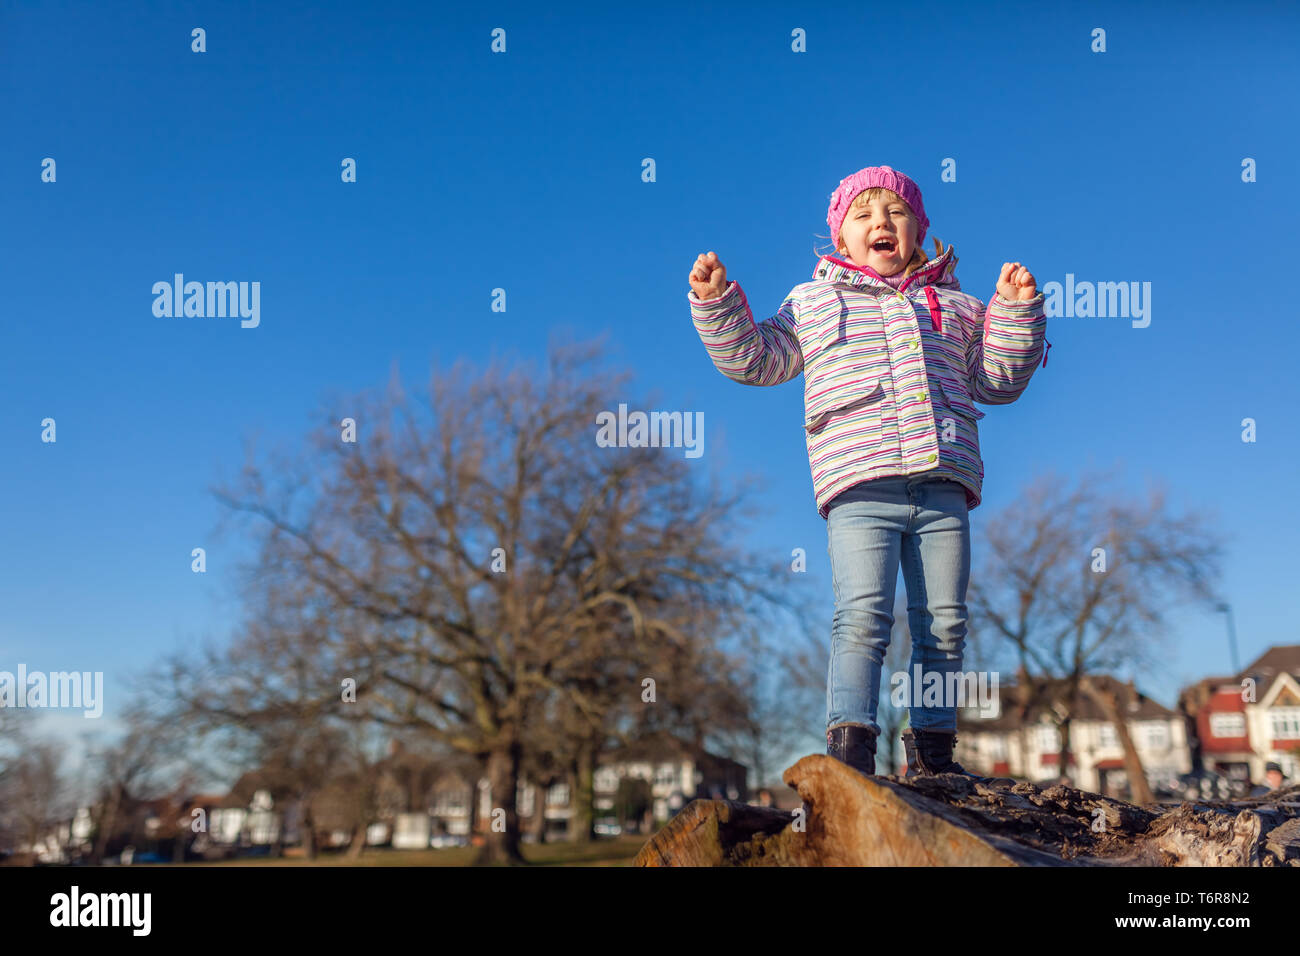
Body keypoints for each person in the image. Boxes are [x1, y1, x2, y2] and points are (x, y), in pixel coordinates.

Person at [687, 165, 1048, 783]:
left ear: (919, 230)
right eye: (864, 215)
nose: (881, 223)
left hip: (943, 486)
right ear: (840, 238)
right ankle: (850, 752)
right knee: (862, 616)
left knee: (944, 622)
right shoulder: (813, 301)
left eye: (897, 213)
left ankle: (933, 754)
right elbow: (759, 360)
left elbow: (996, 381)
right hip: (860, 484)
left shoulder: (959, 307)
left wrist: (1014, 316)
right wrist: (718, 306)